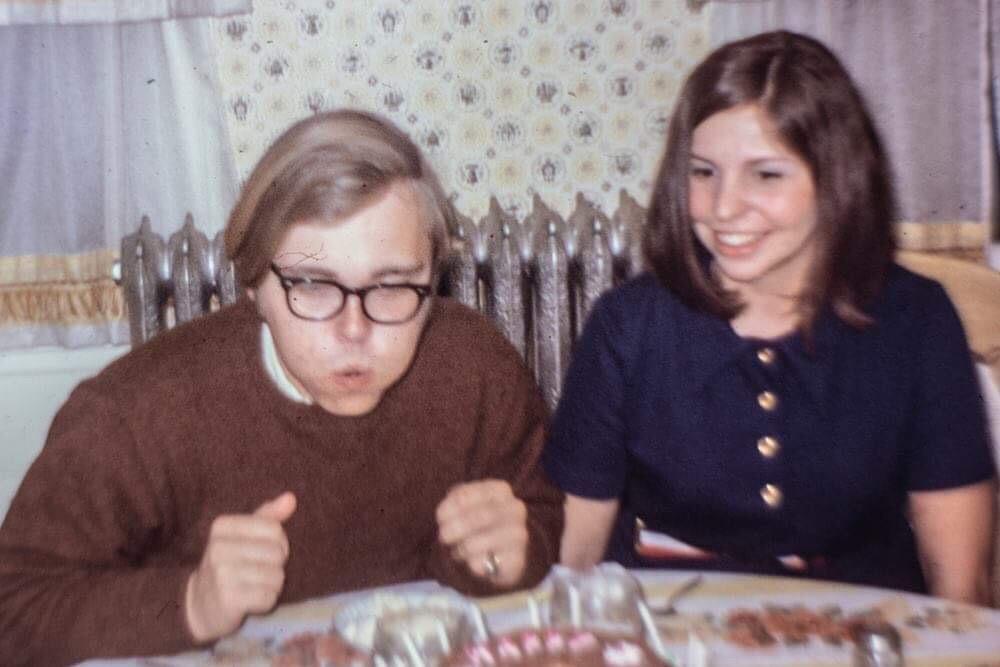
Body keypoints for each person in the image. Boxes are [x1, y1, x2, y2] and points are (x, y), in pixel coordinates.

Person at [0, 110, 563, 665]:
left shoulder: (476, 367)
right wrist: (191, 602)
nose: (353, 331)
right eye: (312, 286)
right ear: (253, 284)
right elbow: (13, 610)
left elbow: (542, 518)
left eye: (392, 286)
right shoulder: (137, 411)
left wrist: (502, 556)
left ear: (432, 277)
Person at [544, 31, 996, 603]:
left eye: (766, 174)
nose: (724, 207)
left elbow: (959, 586)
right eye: (703, 172)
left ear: (836, 177)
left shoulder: (918, 322)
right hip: (670, 626)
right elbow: (574, 557)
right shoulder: (627, 326)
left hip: (863, 630)